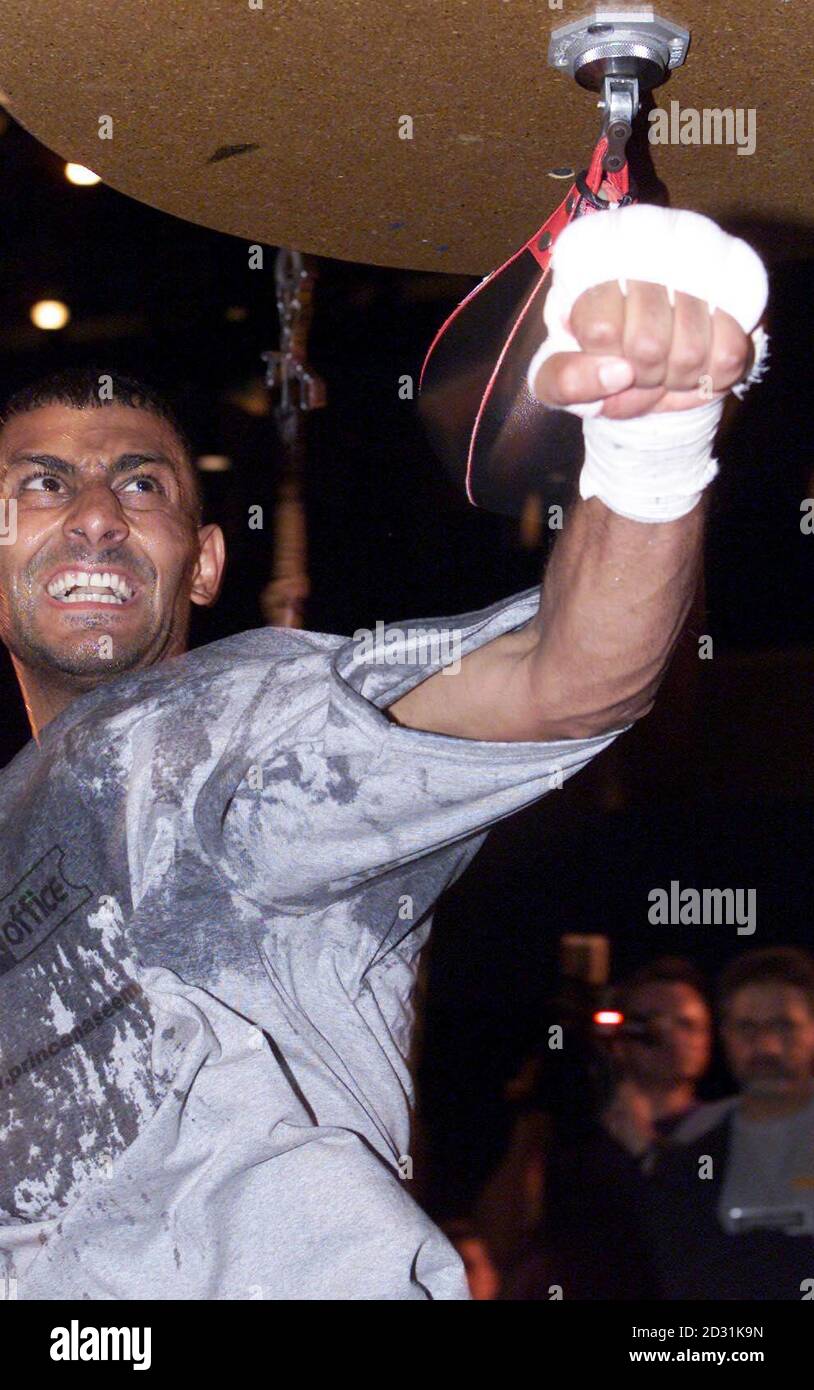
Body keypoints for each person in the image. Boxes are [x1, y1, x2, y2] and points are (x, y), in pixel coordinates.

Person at [0, 211, 759, 1297]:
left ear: (205, 562)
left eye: (141, 485)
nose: (92, 519)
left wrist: (654, 430)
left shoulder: (233, 728)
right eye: (40, 484)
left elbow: (569, 675)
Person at [643, 947, 814, 1299]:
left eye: (783, 1026)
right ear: (725, 1036)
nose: (765, 1046)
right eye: (746, 1027)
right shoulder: (689, 1147)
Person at [602, 957, 714, 1158]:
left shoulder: (725, 1132)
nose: (671, 1036)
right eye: (650, 1024)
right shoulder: (582, 1135)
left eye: (686, 1024)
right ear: (620, 1040)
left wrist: (644, 1148)